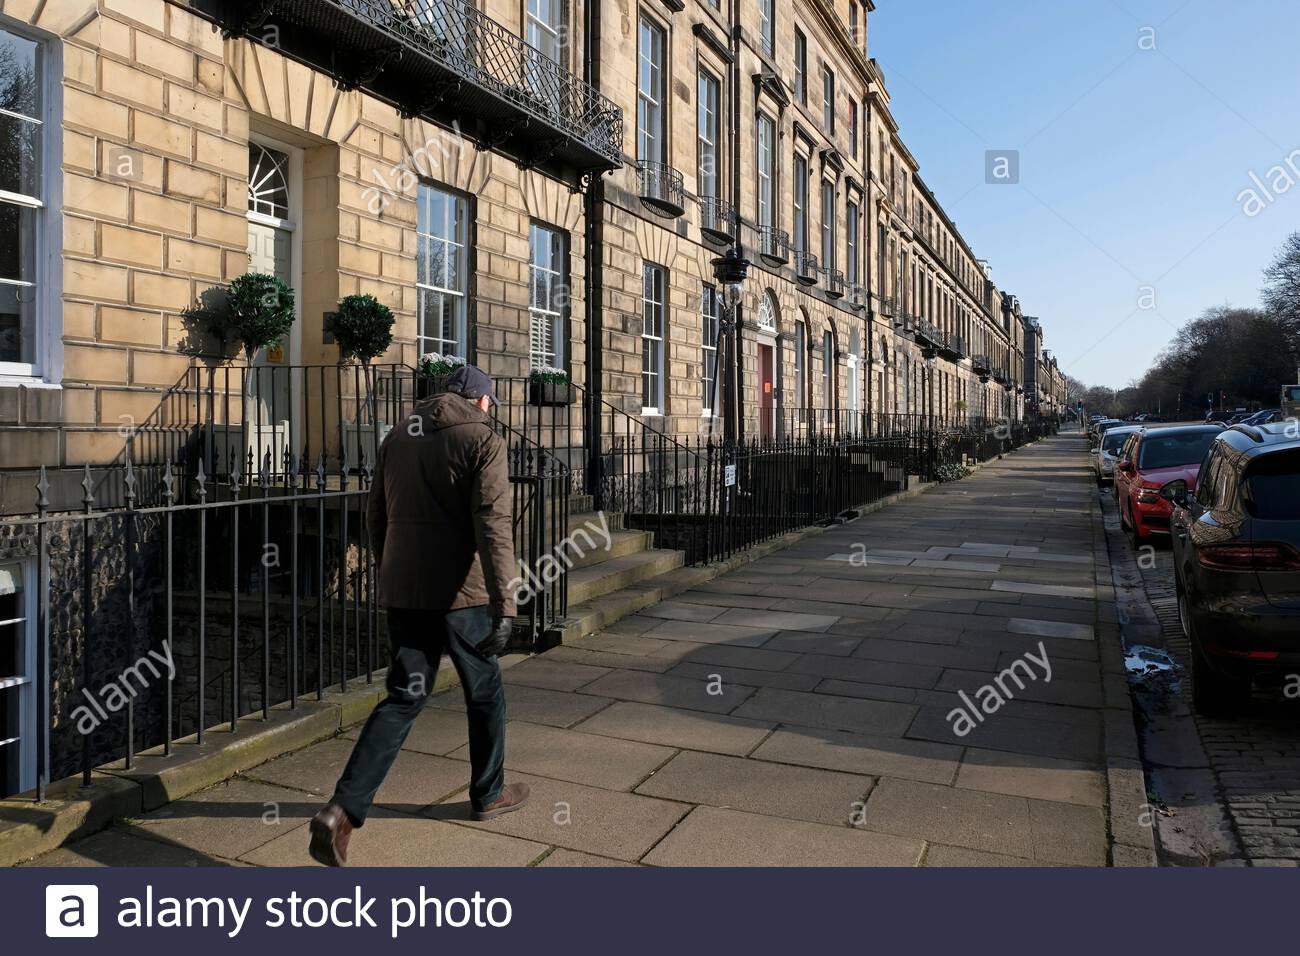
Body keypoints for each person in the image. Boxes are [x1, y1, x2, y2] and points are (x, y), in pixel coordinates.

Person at [309, 365, 529, 867]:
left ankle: (341, 811)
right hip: (462, 594)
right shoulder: (483, 439)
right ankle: (488, 793)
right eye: (489, 403)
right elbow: (493, 524)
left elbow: (376, 515)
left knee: (403, 699)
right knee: (485, 691)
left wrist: (392, 568)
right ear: (478, 402)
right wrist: (505, 604)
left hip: (405, 589)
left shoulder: (397, 435)